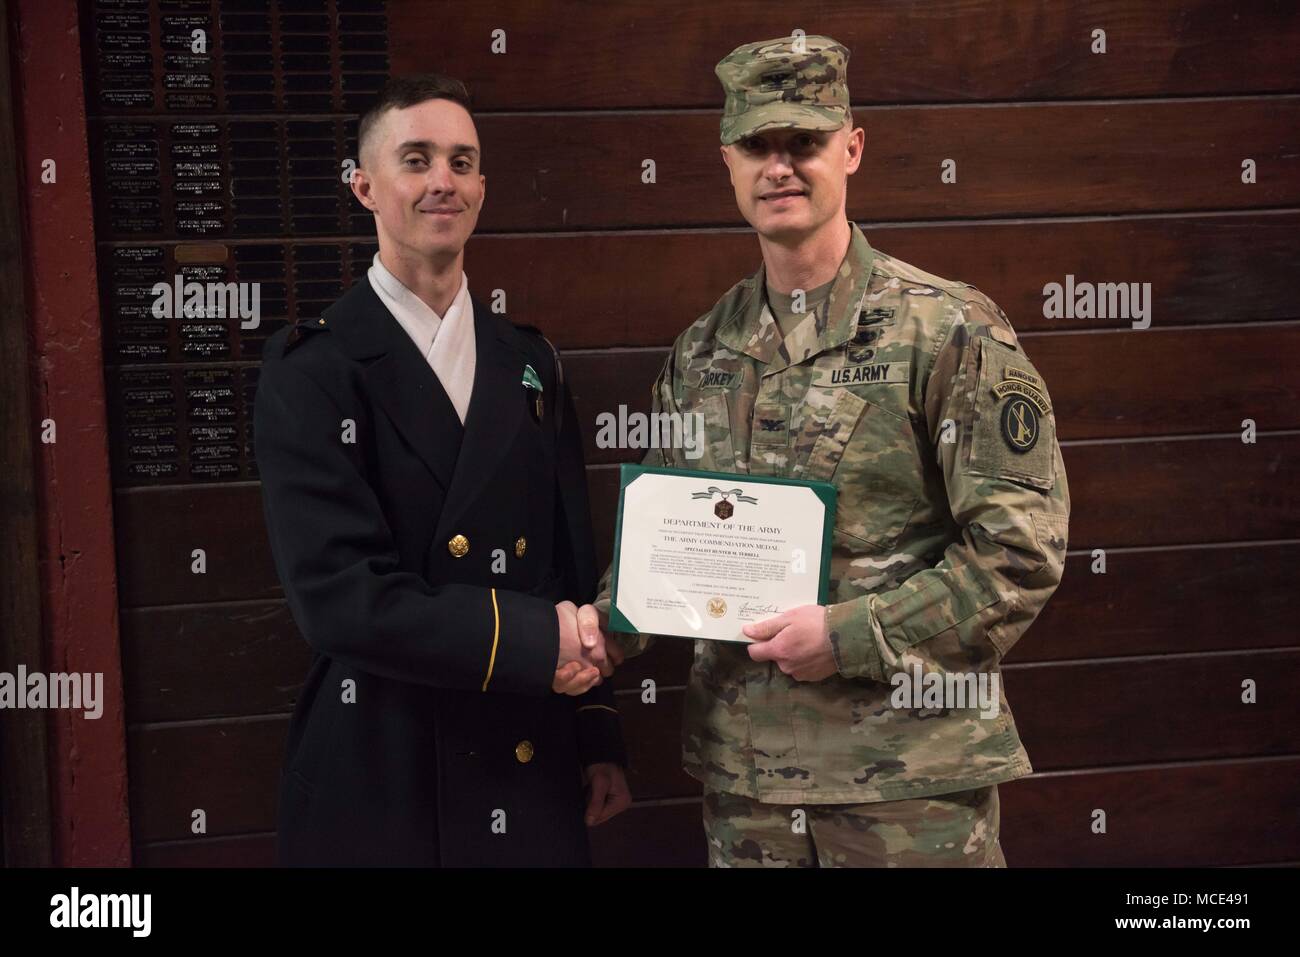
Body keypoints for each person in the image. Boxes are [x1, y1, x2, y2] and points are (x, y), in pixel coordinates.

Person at [596, 35, 1070, 867]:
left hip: (907, 793)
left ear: (851, 148)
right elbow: (665, 548)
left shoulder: (949, 329)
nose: (779, 166)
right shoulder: (703, 351)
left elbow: (1019, 553)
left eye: (803, 142)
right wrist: (596, 633)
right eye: (756, 145)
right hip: (750, 794)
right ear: (728, 162)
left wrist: (852, 634)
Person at [254, 74, 630, 867]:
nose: (442, 182)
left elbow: (567, 558)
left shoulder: (530, 362)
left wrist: (596, 728)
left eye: (462, 163)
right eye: (416, 160)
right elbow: (338, 599)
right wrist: (535, 642)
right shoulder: (313, 368)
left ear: (482, 188)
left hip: (529, 745)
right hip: (383, 757)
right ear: (365, 186)